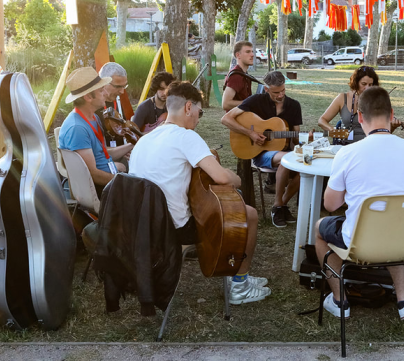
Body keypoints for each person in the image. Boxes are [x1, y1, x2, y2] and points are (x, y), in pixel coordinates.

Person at [129, 82, 270, 305]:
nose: (198, 117)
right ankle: (240, 285)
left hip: (143, 226)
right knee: (249, 214)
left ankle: (240, 278)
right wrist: (238, 179)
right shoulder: (186, 136)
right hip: (173, 230)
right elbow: (222, 178)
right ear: (188, 107)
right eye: (199, 112)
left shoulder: (145, 139)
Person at [314, 86, 404, 320]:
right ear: (391, 114)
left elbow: (330, 205)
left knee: (320, 228)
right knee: (392, 225)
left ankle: (339, 301)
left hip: (361, 244)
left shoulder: (347, 154)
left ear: (360, 116)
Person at [221, 71, 302, 228]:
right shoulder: (255, 100)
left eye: (283, 91)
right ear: (266, 89)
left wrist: (306, 139)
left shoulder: (293, 105)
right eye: (276, 92)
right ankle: (278, 206)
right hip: (259, 153)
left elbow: (296, 138)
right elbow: (226, 119)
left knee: (305, 168)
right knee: (286, 160)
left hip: (285, 151)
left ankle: (280, 205)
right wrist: (250, 133)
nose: (280, 95)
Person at [59, 67, 133, 196]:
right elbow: (91, 174)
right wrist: (123, 184)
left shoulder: (93, 118)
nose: (105, 92)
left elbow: (103, 152)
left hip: (107, 183)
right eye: (101, 89)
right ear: (88, 97)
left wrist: (133, 144)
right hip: (101, 191)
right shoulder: (77, 128)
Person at [318, 66, 403, 143]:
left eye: (370, 85)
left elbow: (381, 136)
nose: (367, 88)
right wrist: (333, 131)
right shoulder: (343, 98)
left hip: (368, 145)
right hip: (344, 146)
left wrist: (393, 127)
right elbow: (322, 120)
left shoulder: (376, 101)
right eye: (363, 84)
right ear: (356, 83)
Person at [99, 62, 131, 148]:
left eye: (124, 86)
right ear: (103, 83)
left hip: (120, 151)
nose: (122, 91)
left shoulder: (117, 101)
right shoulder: (93, 107)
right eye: (118, 87)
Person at [222, 41, 257, 112]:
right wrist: (250, 103)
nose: (252, 55)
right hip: (237, 120)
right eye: (248, 52)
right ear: (238, 55)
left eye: (252, 52)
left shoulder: (244, 74)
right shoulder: (236, 76)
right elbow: (225, 104)